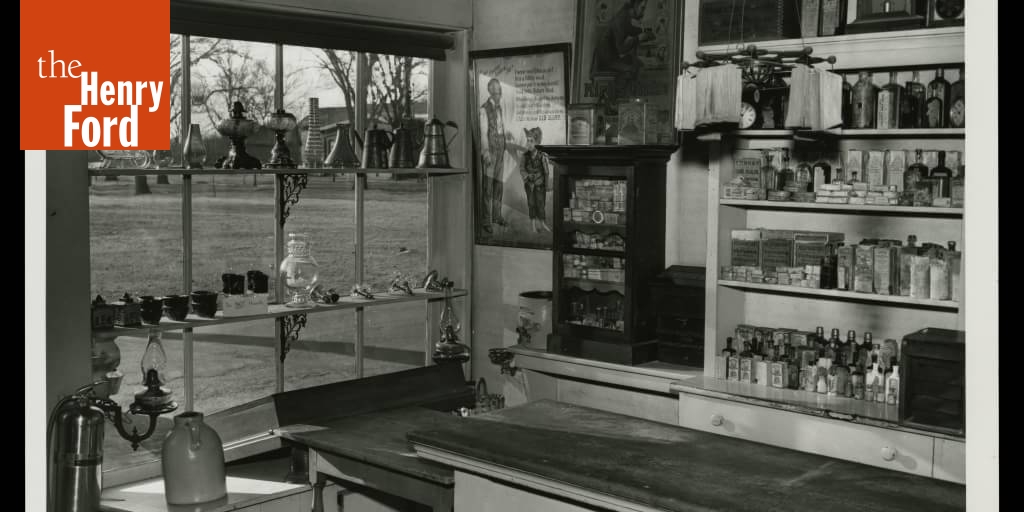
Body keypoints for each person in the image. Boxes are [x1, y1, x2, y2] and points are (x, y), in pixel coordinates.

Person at [590, 0, 654, 94]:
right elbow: (621, 49)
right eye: (642, 8)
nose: (643, 13)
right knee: (633, 69)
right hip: (606, 60)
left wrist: (641, 31)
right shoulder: (621, 19)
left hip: (610, 56)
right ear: (635, 5)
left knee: (636, 62)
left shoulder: (625, 15)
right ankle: (616, 95)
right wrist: (638, 38)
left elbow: (628, 29)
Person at [479, 77, 510, 233]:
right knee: (488, 188)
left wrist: (506, 136)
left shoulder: (500, 108)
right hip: (490, 153)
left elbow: (499, 128)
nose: (499, 94)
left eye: (500, 91)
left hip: (500, 151)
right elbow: (483, 134)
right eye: (496, 92)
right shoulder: (484, 109)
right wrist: (485, 153)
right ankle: (486, 220)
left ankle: (496, 216)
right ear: (490, 92)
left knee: (498, 186)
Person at [518, 127, 551, 233]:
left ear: (537, 142)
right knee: (531, 204)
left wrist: (547, 185)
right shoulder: (525, 156)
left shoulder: (542, 156)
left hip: (540, 184)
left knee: (540, 204)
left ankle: (542, 223)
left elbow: (546, 172)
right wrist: (527, 176)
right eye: (527, 140)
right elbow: (522, 169)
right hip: (529, 185)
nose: (528, 143)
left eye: (531, 141)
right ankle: (533, 225)